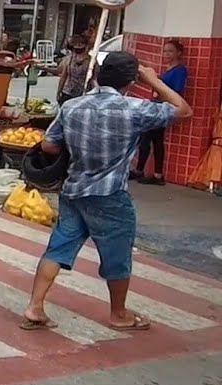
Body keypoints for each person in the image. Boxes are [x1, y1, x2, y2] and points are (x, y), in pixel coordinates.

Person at [21, 51, 191, 332]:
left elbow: (49, 144)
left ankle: (35, 306)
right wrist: (153, 81)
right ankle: (118, 314)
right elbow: (183, 110)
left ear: (99, 75)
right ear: (131, 81)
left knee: (58, 248)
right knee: (117, 256)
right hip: (110, 195)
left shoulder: (73, 106)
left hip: (74, 190)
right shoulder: (134, 109)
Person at [131, 39, 188, 186]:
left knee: (147, 138)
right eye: (165, 51)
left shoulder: (179, 71)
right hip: (158, 105)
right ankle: (154, 173)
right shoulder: (168, 70)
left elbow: (177, 91)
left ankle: (143, 171)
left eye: (170, 51)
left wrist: (160, 94)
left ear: (178, 53)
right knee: (155, 140)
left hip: (164, 107)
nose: (166, 54)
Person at [55, 34, 92, 105]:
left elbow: (94, 78)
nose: (78, 46)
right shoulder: (69, 59)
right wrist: (59, 91)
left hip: (84, 93)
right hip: (68, 92)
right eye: (76, 45)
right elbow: (63, 76)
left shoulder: (91, 61)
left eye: (80, 44)